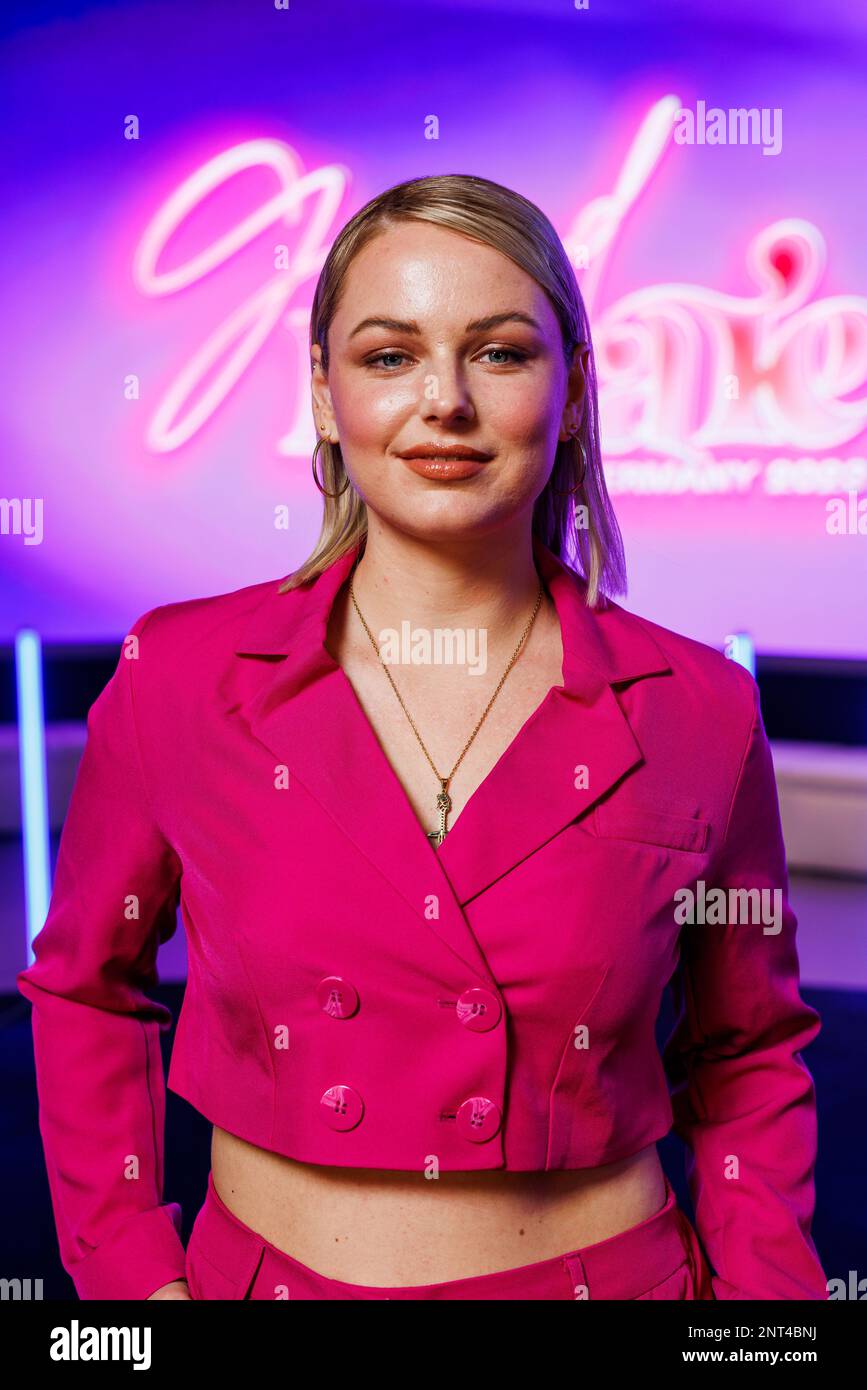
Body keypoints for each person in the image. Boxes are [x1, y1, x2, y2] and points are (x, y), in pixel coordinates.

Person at [18, 174, 828, 1301]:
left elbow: (745, 1055)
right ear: (321, 391)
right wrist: (132, 1283)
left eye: (500, 352)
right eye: (389, 355)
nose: (443, 400)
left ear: (578, 389)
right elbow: (87, 990)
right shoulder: (184, 680)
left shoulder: (697, 706)